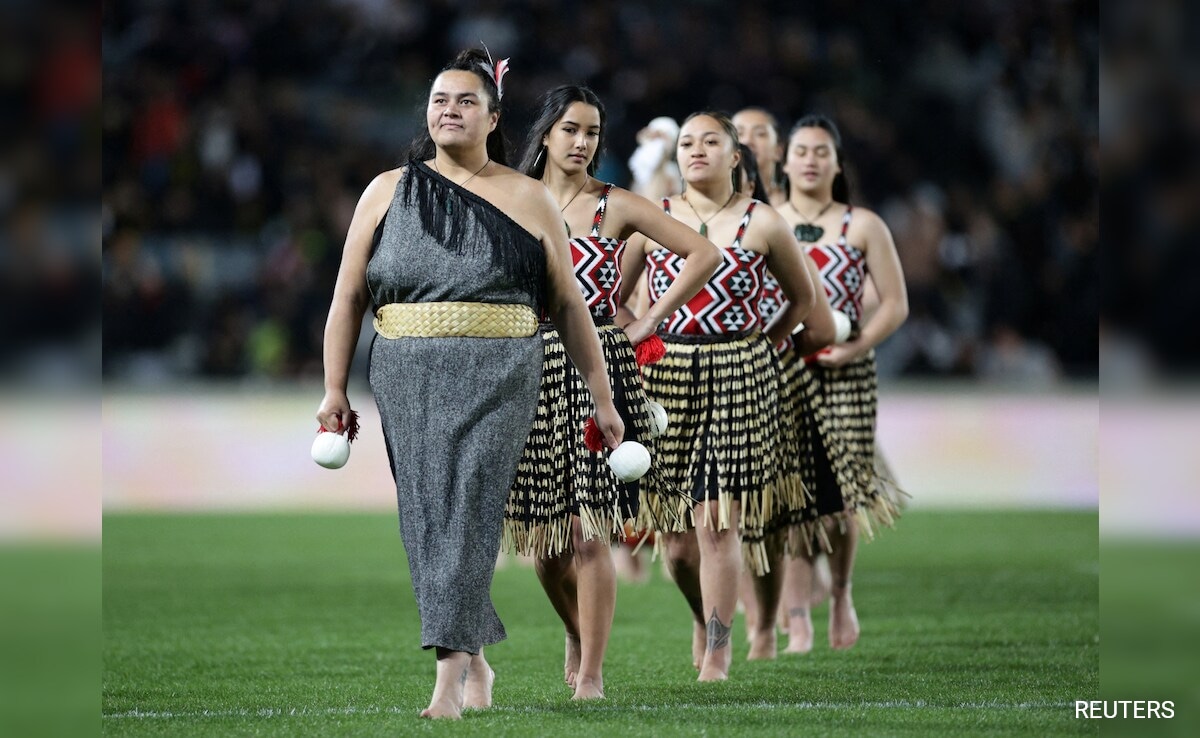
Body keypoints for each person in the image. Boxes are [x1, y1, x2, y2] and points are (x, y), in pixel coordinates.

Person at [315, 49, 623, 720]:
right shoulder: (386, 190)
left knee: (471, 507)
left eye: (463, 100)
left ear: (493, 115)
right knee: (429, 523)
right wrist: (333, 390)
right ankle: (476, 655)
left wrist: (602, 395)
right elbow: (346, 300)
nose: (448, 110)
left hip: (502, 370)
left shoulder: (528, 195)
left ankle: (448, 682)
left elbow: (568, 306)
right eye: (438, 100)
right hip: (404, 371)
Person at [504, 85, 721, 700]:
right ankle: (575, 632)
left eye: (593, 132)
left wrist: (646, 321)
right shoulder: (510, 199)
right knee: (544, 547)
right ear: (545, 133)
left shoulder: (616, 205)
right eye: (571, 129)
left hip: (599, 369)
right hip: (524, 370)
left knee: (589, 531)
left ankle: (592, 675)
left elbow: (702, 253)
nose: (582, 141)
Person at [624, 111, 822, 680]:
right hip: (668, 375)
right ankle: (704, 614)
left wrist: (764, 345)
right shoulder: (655, 217)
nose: (697, 151)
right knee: (679, 545)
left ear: (736, 156)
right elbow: (611, 292)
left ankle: (719, 648)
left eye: (712, 141)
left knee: (719, 521)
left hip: (740, 374)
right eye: (687, 142)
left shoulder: (764, 221)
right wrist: (639, 338)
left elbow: (801, 298)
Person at [775, 114, 910, 652]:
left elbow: (896, 303)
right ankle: (798, 614)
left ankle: (842, 592)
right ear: (784, 163)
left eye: (820, 151)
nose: (809, 160)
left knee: (842, 498)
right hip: (783, 371)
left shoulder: (863, 224)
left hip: (847, 374)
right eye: (801, 151)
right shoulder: (766, 220)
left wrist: (856, 346)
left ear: (836, 163)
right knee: (791, 497)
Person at [733, 107, 787, 206]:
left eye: (760, 134)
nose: (747, 141)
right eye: (739, 133)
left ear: (779, 150)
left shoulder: (793, 201)